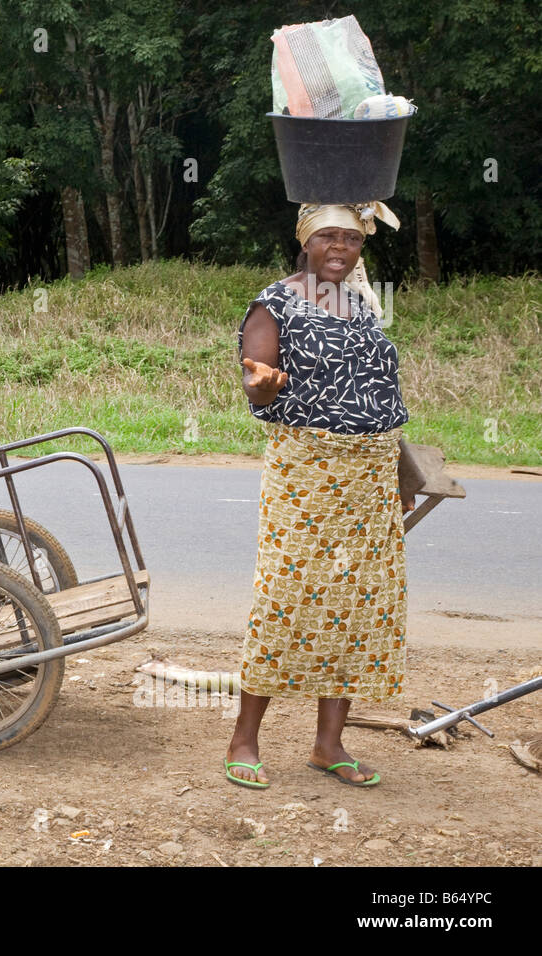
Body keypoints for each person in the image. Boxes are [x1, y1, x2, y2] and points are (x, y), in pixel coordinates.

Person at [224, 202, 414, 789]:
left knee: (358, 607)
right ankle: (244, 739)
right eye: (328, 237)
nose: (340, 248)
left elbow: (380, 391)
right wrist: (262, 385)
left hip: (372, 476)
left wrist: (401, 474)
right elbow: (258, 380)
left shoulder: (359, 304)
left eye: (351, 239)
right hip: (308, 474)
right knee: (289, 598)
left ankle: (328, 745)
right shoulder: (275, 301)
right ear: (304, 242)